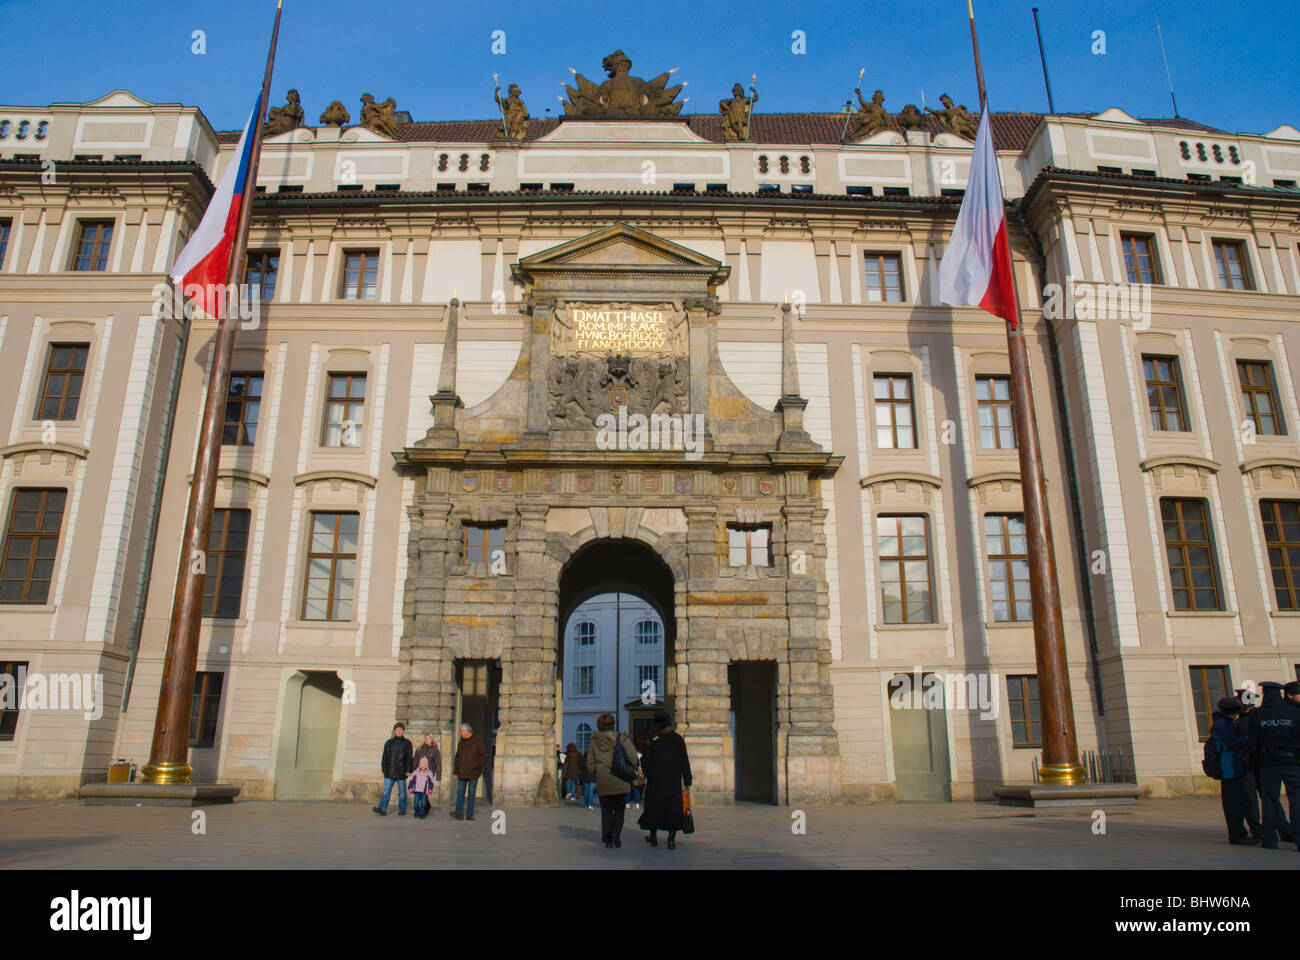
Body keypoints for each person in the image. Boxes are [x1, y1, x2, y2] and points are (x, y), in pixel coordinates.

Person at [1246, 680, 1300, 851]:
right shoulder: (1294, 712)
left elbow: (1252, 741)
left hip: (1268, 764)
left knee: (1269, 802)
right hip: (1292, 762)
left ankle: (1269, 840)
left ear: (1265, 694)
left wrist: (1256, 761)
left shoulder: (1257, 714)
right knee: (1297, 802)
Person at [637, 710, 692, 849]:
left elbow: (645, 761)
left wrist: (649, 773)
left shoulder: (653, 740)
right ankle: (671, 840)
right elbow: (684, 761)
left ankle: (654, 837)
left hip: (656, 782)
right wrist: (687, 779)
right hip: (673, 782)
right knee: (673, 810)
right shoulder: (678, 739)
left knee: (654, 809)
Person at [586, 712, 639, 847]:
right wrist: (629, 767)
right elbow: (633, 756)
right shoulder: (622, 739)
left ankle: (608, 838)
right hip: (620, 778)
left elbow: (590, 764)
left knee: (606, 811)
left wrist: (597, 772)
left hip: (603, 780)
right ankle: (616, 835)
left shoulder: (594, 742)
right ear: (613, 724)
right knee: (620, 810)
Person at [1210, 698, 1258, 845]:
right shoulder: (1222, 725)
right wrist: (1246, 739)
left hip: (1233, 767)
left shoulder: (1224, 723)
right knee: (1233, 804)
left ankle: (1239, 833)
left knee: (1237, 802)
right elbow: (1229, 744)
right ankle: (1237, 834)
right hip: (1229, 768)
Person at [373, 723, 413, 817]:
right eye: (397, 730)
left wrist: (408, 770)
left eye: (400, 730)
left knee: (402, 791)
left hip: (401, 771)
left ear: (403, 732)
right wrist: (384, 769)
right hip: (390, 771)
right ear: (394, 731)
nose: (399, 732)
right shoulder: (389, 743)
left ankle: (402, 809)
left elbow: (409, 758)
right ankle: (382, 808)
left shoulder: (407, 743)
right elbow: (385, 757)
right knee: (386, 790)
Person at [450, 722, 488, 821]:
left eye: (461, 731)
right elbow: (457, 758)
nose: (460, 733)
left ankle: (469, 814)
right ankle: (459, 812)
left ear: (467, 731)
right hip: (462, 773)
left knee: (471, 793)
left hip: (473, 773)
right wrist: (455, 772)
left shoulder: (478, 741)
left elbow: (483, 756)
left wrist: (475, 765)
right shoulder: (461, 742)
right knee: (460, 793)